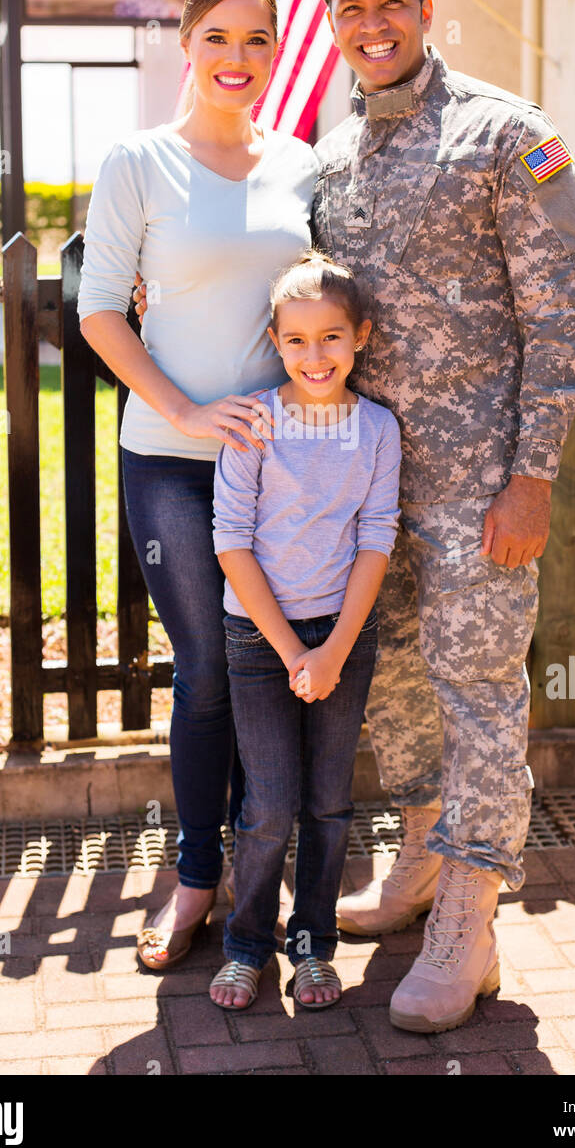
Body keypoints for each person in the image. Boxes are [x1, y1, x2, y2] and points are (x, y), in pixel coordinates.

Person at [307, 0, 575, 1032]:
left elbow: (568, 312)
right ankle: (422, 864)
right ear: (332, 23)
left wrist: (530, 475)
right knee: (392, 687)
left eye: (391, 2)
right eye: (350, 8)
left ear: (427, 10)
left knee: (478, 693)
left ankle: (470, 919)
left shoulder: (505, 134)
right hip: (369, 489)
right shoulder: (333, 151)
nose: (370, 24)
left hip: (478, 485)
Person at [77, 0, 317, 971]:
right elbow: (98, 308)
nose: (236, 58)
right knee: (207, 670)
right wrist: (181, 407)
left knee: (267, 667)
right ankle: (193, 878)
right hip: (171, 463)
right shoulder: (138, 161)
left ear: (274, 51)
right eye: (217, 38)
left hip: (279, 473)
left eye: (255, 40)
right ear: (187, 44)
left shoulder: (302, 165)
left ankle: (264, 876)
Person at [207, 251, 401, 1011]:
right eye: (296, 340)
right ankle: (248, 945)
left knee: (328, 802)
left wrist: (335, 649)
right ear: (275, 340)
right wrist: (295, 652)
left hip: (344, 635)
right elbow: (231, 541)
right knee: (270, 805)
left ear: (361, 337)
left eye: (331, 337)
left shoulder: (378, 430)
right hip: (260, 638)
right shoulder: (254, 421)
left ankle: (313, 947)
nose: (314, 355)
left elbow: (377, 537)